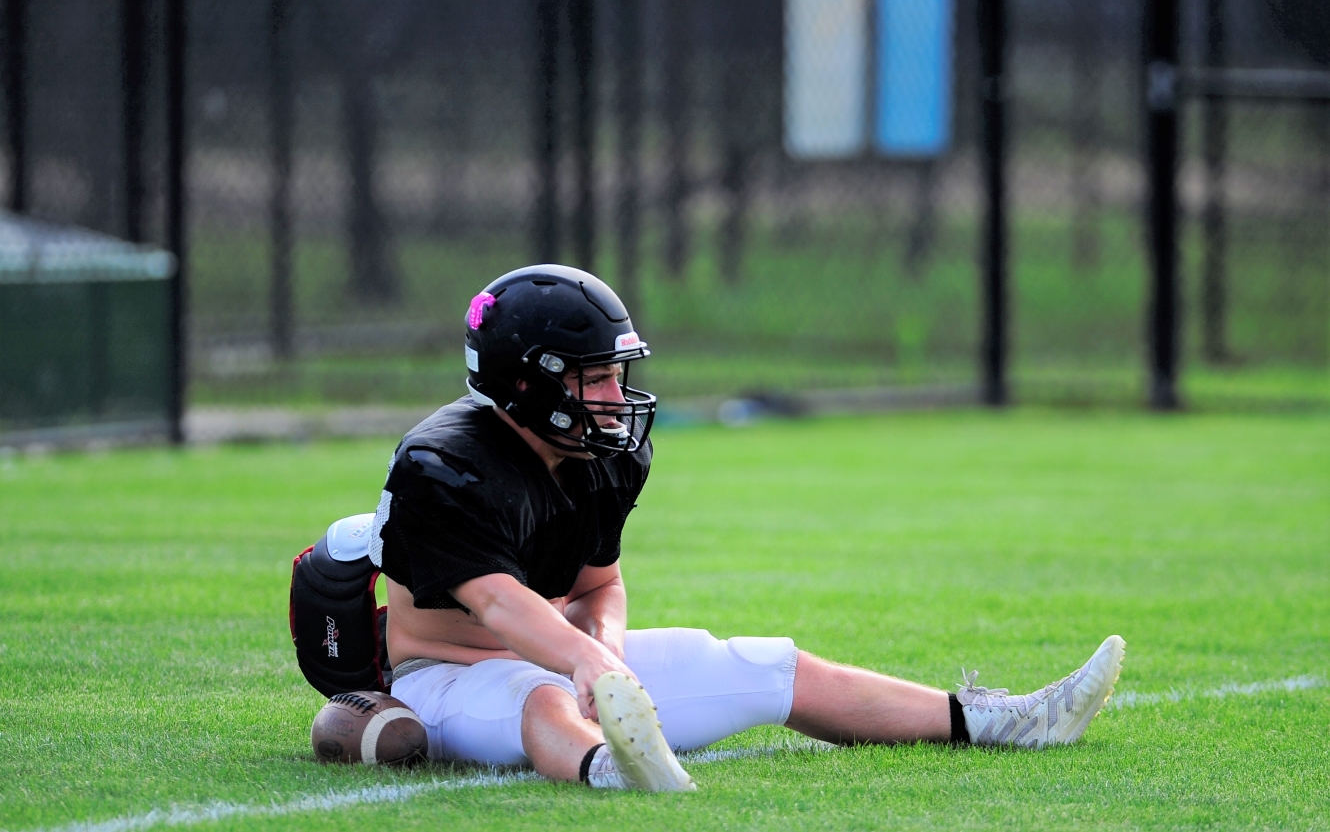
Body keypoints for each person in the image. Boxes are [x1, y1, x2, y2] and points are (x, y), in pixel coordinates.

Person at [362, 264, 1125, 791]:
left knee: (768, 663)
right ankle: (615, 767)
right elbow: (497, 603)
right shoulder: (444, 463)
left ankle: (997, 721)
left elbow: (599, 585)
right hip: (449, 680)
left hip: (561, 659)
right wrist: (586, 664)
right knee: (540, 697)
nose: (614, 398)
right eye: (593, 378)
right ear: (526, 383)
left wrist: (608, 654)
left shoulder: (599, 456)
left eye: (616, 375)